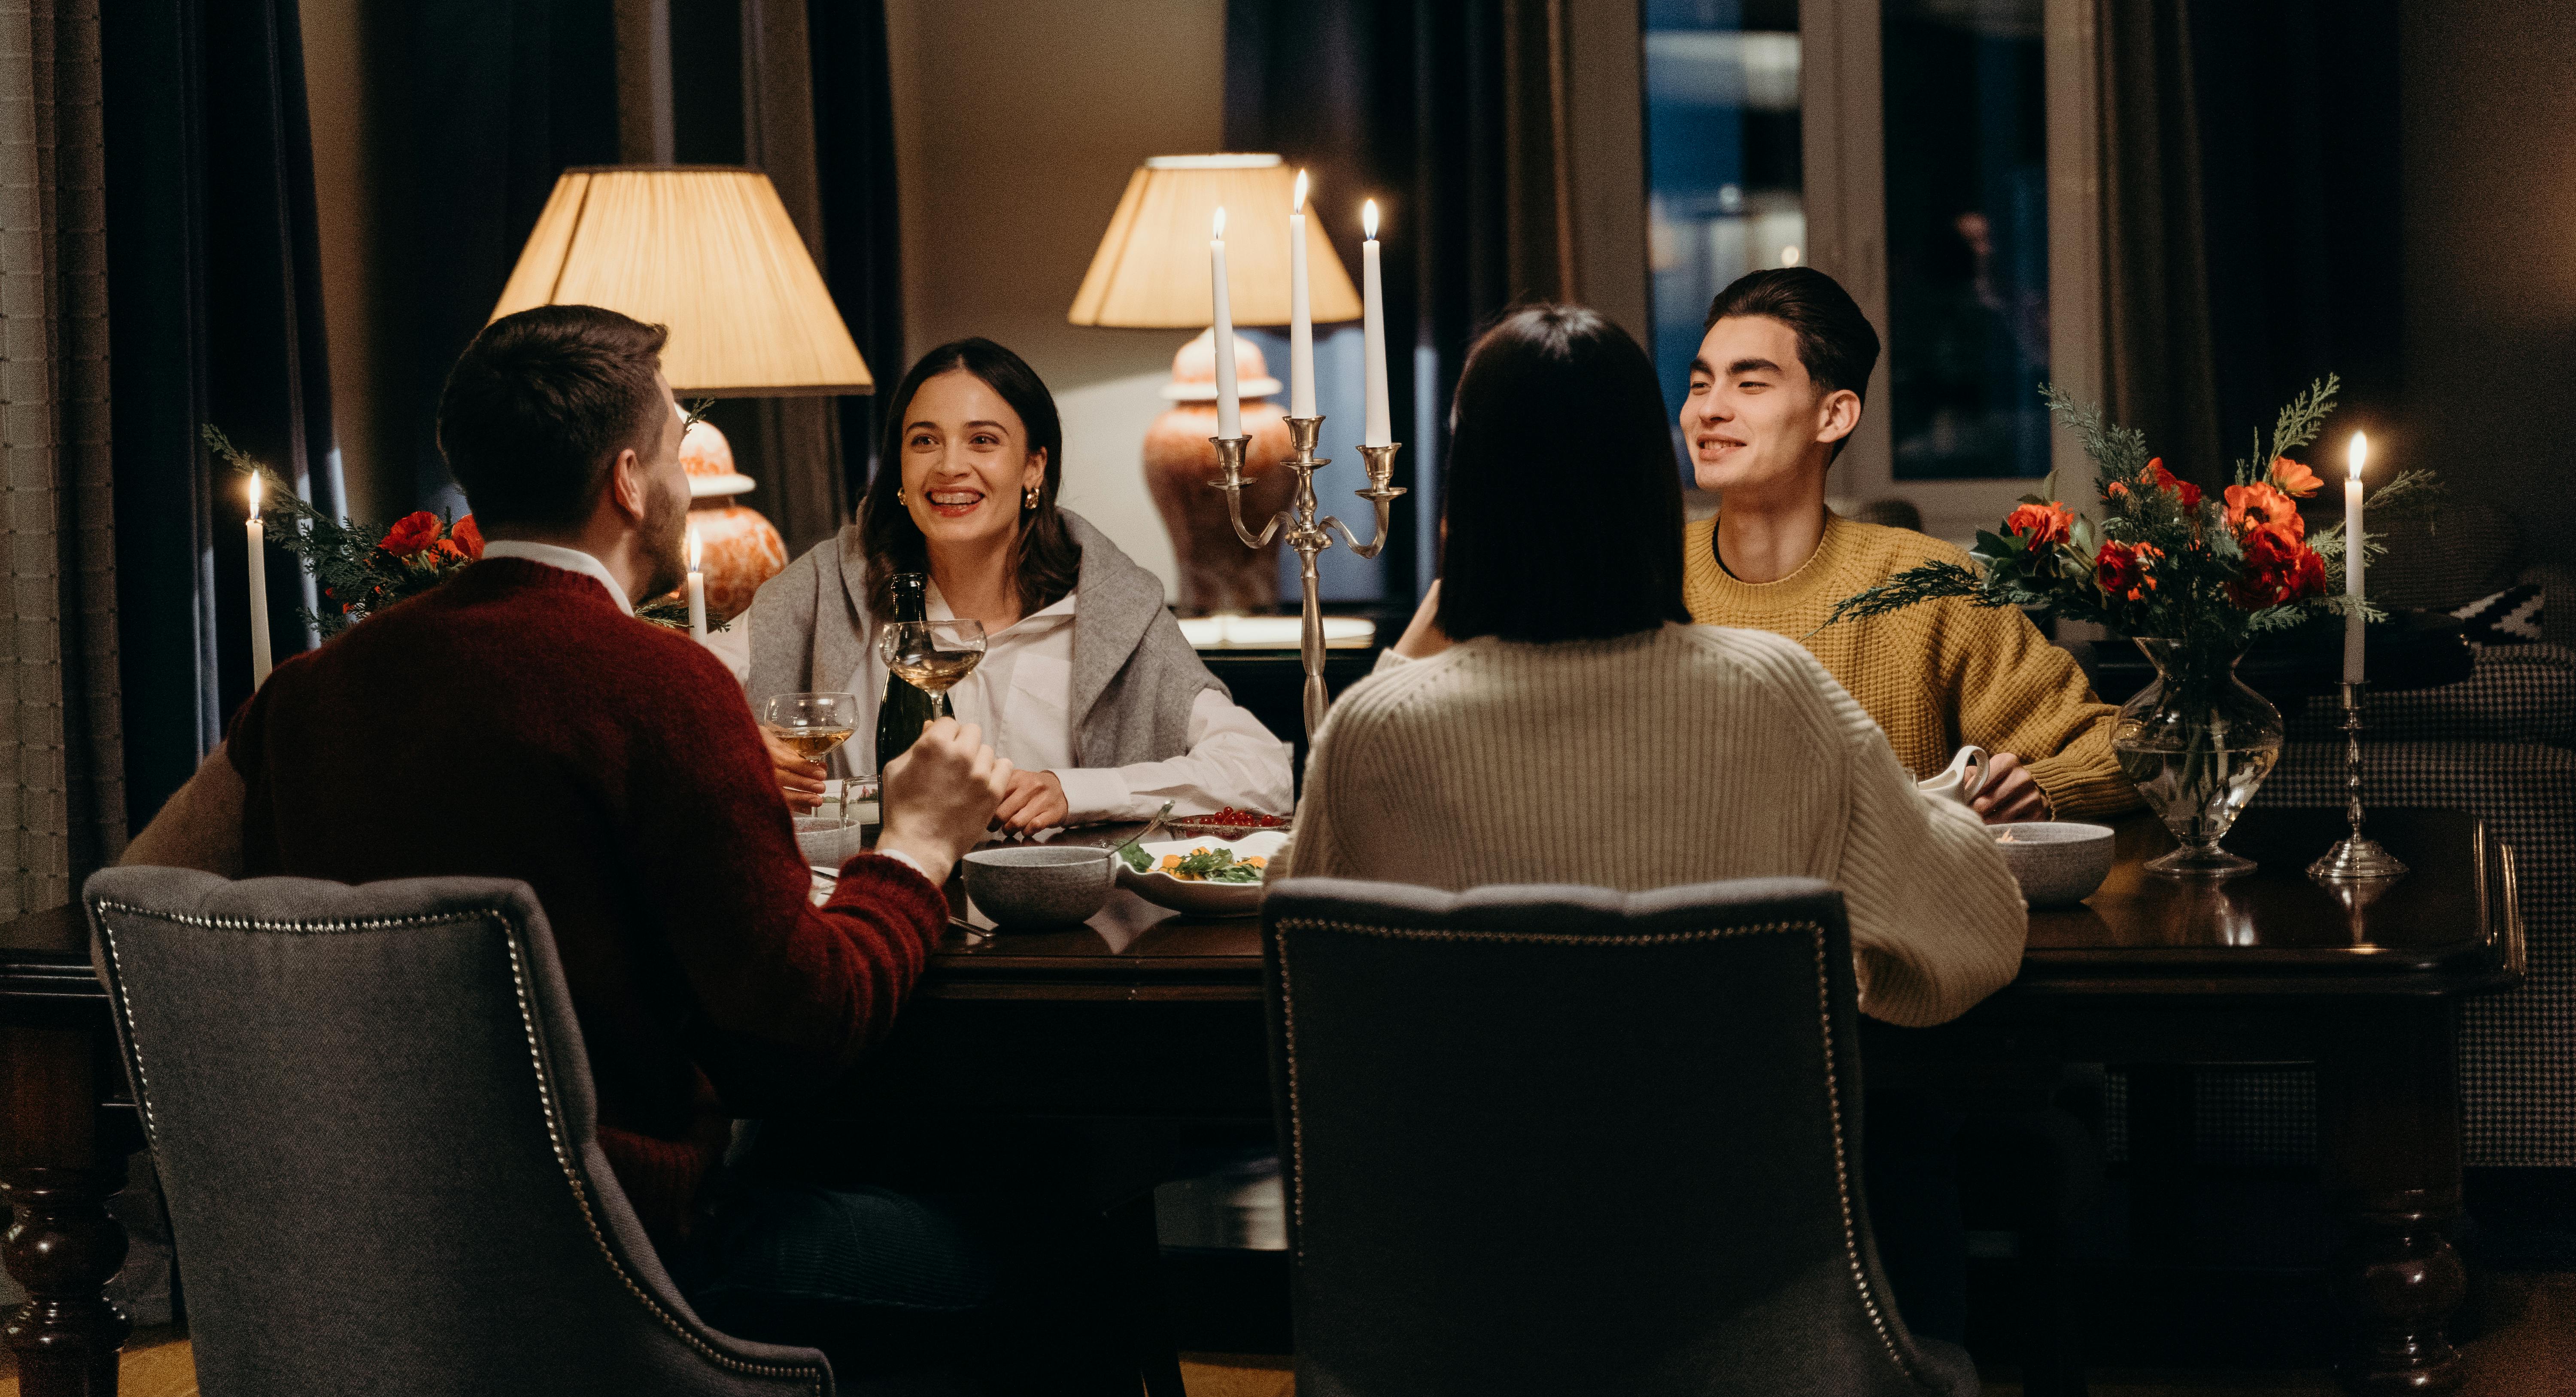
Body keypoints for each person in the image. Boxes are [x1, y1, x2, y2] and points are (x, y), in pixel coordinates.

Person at [126, 306, 1015, 1397]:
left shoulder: (309, 695)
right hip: (620, 1260)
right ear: (633, 481)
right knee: (1053, 1246)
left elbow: (143, 893)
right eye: (682, 449)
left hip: (365, 1254)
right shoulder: (660, 689)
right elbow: (801, 1030)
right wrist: (919, 847)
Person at [1284, 304, 2025, 1032]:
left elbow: (1297, 949)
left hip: (1463, 1153)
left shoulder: (1374, 729)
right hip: (1734, 1153)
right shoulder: (1775, 693)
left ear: (1466, 490)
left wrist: (1424, 637)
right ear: (1650, 480)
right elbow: (1980, 928)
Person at [739, 338, 1291, 832]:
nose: (950, 465)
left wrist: (1075, 792)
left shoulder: (1109, 611)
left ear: (1034, 468)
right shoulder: (823, 591)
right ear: (900, 470)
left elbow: (1262, 771)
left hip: (1067, 933)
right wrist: (736, 746)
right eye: (924, 440)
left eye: (983, 440)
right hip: (868, 923)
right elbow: (677, 700)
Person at [1678, 267, 2138, 822]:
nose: (1707, 409)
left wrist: (2042, 789)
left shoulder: (1924, 588)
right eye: (1701, 383)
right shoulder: (1645, 580)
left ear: (1834, 415)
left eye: (1749, 384)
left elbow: (2117, 751)